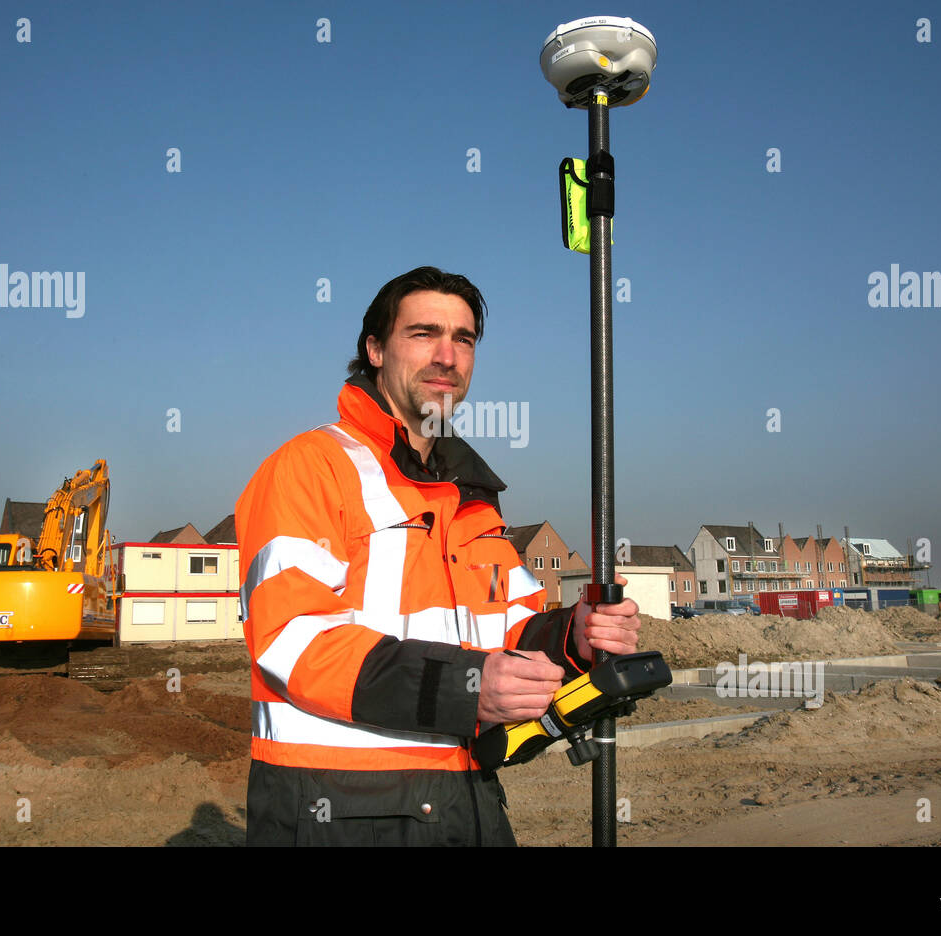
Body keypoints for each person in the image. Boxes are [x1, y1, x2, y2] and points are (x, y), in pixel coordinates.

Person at [235, 266, 642, 846]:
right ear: (375, 349)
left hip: (464, 801)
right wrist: (470, 686)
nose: (447, 356)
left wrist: (571, 637)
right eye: (423, 333)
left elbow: (509, 632)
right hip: (340, 809)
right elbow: (294, 640)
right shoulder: (311, 468)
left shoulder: (469, 498)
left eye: (464, 338)